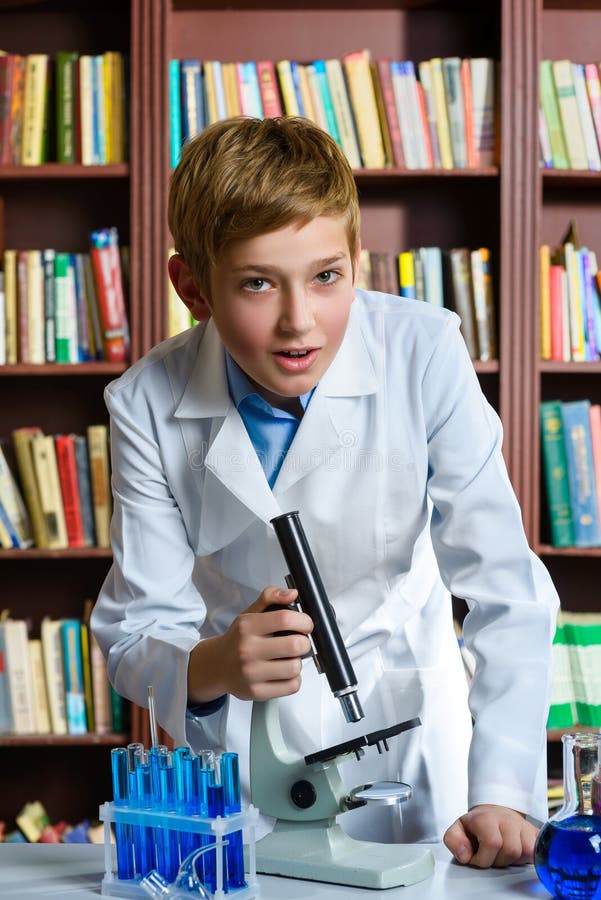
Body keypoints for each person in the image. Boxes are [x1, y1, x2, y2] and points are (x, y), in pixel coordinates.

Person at [91, 115, 559, 869]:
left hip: (408, 716)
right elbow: (135, 625)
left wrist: (503, 787)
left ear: (355, 260)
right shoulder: (145, 403)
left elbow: (507, 589)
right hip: (248, 733)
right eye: (255, 283)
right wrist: (212, 666)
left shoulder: (423, 351)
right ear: (192, 287)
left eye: (326, 276)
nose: (298, 321)